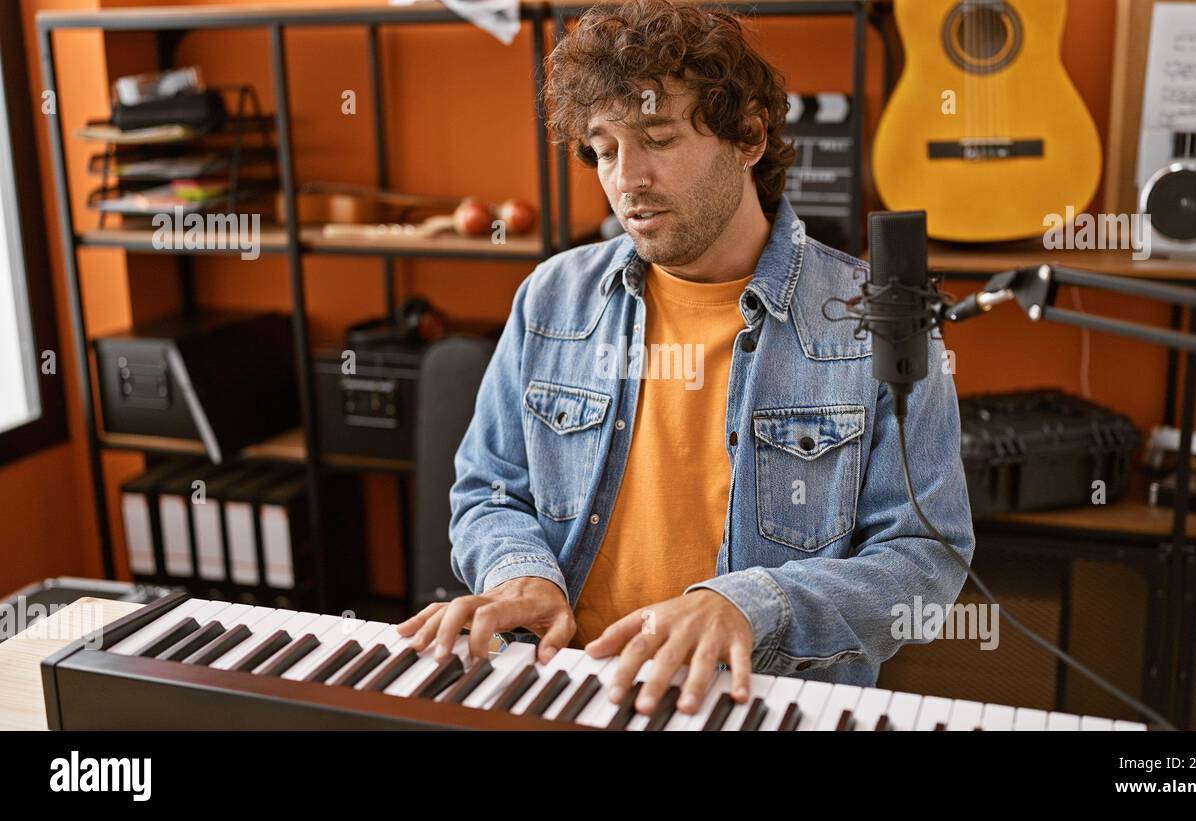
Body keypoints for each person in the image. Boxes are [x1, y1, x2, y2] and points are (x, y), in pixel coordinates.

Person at [398, 0, 974, 719]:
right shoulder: (552, 297)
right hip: (570, 688)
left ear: (750, 135)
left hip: (764, 701)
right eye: (604, 149)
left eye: (657, 138)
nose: (626, 178)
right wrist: (522, 574)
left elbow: (924, 557)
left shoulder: (881, 315)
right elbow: (489, 490)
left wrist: (749, 605)